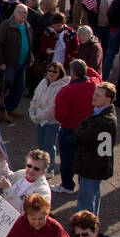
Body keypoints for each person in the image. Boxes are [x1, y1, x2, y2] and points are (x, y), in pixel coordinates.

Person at [51, 58, 101, 195]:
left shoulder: (67, 91)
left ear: (72, 74)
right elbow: (97, 75)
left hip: (70, 129)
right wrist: (85, 67)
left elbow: (60, 115)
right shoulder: (95, 84)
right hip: (90, 128)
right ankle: (85, 184)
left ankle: (67, 185)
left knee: (67, 158)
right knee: (86, 156)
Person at [72, 81, 117, 217]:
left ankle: (83, 228)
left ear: (108, 99)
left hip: (92, 166)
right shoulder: (100, 115)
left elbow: (81, 134)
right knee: (92, 197)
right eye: (95, 94)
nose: (94, 97)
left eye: (98, 95)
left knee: (85, 200)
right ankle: (91, 224)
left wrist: (82, 129)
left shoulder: (105, 120)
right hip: (93, 164)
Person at [0, 2, 35, 121]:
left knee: (19, 88)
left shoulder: (28, 26)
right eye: (21, 12)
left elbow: (29, 44)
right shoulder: (6, 25)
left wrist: (30, 57)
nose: (23, 14)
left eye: (25, 12)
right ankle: (1, 111)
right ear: (14, 13)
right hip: (8, 64)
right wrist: (1, 62)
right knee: (4, 89)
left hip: (22, 64)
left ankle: (11, 107)